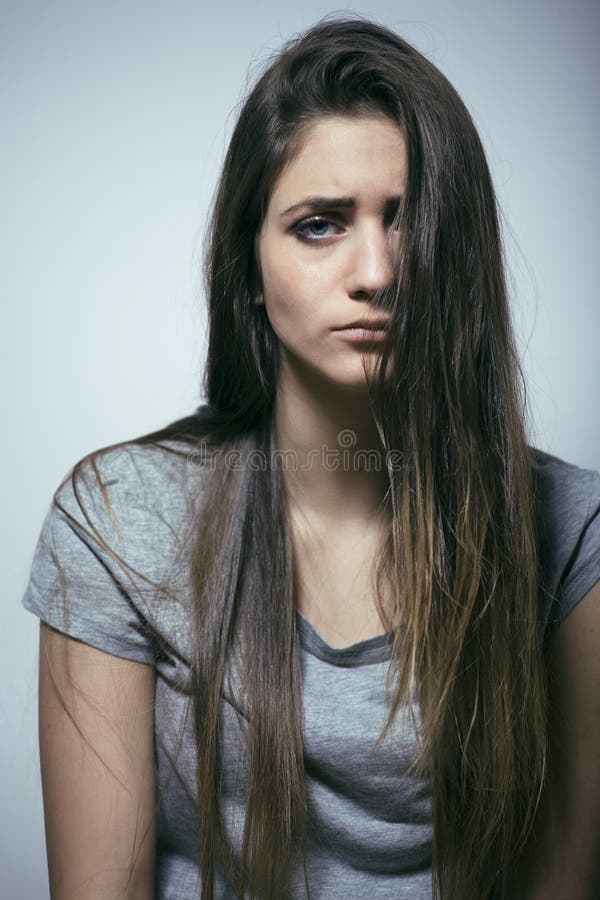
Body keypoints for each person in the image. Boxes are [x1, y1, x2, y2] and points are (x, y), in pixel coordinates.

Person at [22, 15, 600, 900]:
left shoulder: (569, 533)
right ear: (249, 265)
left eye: (409, 223)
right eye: (320, 225)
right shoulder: (118, 525)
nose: (377, 271)